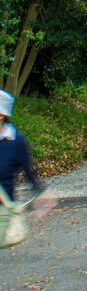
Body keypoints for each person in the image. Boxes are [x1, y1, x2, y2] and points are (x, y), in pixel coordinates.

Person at [0, 90, 54, 224]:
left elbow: (30, 174)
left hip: (2, 211)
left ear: (1, 115)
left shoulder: (15, 141)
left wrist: (42, 197)